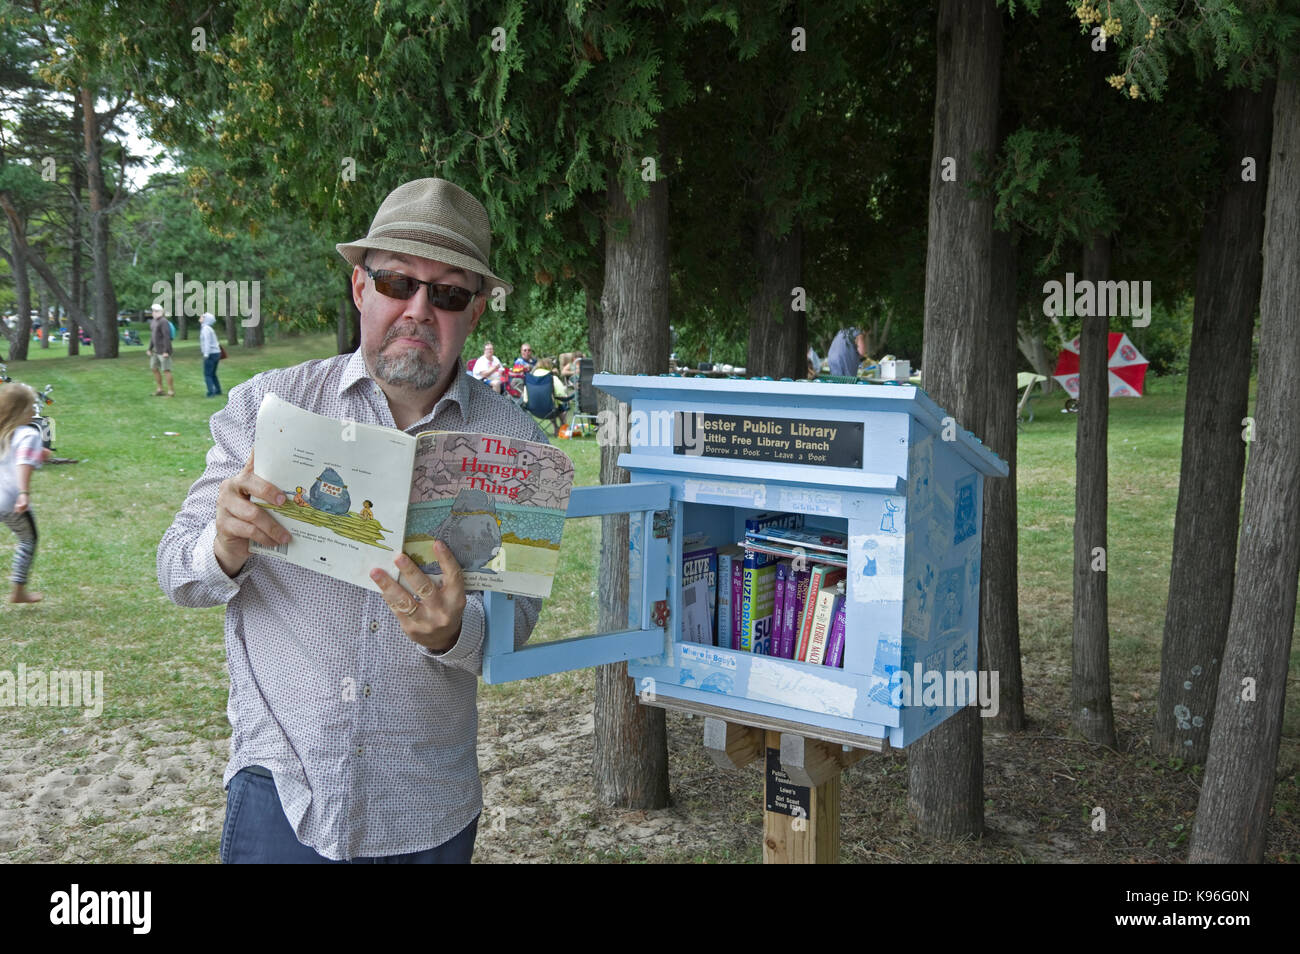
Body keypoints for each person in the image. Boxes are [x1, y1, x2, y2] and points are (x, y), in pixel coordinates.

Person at [157, 178, 547, 864]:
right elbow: (176, 573)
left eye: (449, 293)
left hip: (426, 803)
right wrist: (223, 544)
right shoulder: (265, 405)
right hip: (283, 787)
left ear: (476, 311)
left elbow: (514, 624)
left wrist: (455, 630)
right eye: (398, 282)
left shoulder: (519, 444)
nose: (419, 310)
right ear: (361, 289)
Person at [0, 383, 48, 604]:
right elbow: (23, 462)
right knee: (28, 539)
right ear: (20, 410)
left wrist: (40, 454)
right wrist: (24, 493)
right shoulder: (28, 433)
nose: (34, 412)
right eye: (31, 408)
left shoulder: (3, 433)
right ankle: (19, 591)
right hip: (10, 499)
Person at [147, 303, 175, 396]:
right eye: (153, 311)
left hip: (163, 351)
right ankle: (160, 389)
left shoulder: (163, 321)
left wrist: (166, 351)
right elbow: (153, 337)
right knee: (154, 368)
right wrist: (149, 348)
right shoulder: (153, 322)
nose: (154, 313)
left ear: (161, 312)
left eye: (157, 311)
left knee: (166, 370)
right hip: (155, 350)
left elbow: (166, 337)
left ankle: (171, 391)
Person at [199, 312, 223, 397]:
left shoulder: (205, 329)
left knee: (208, 374)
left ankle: (211, 393)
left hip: (211, 354)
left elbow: (207, 342)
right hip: (216, 353)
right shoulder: (208, 328)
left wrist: (206, 354)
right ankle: (218, 390)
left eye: (203, 316)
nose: (200, 317)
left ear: (206, 319)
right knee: (213, 373)